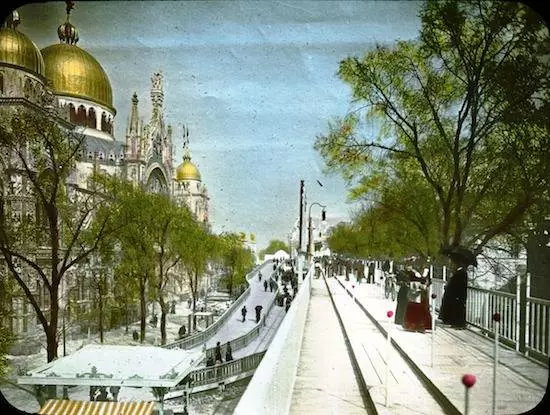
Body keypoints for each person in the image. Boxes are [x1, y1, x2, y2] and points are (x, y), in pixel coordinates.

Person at [439, 246, 476, 328]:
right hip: (454, 294)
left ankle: (458, 323)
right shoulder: (458, 272)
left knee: (458, 308)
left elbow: (459, 284)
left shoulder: (462, 272)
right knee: (453, 307)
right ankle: (451, 321)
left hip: (457, 294)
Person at [402, 267, 430, 332]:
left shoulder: (426, 271)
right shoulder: (412, 271)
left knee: (423, 308)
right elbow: (407, 279)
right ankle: (412, 325)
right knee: (414, 307)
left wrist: (426, 285)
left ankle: (421, 326)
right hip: (414, 292)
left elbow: (428, 281)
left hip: (423, 292)